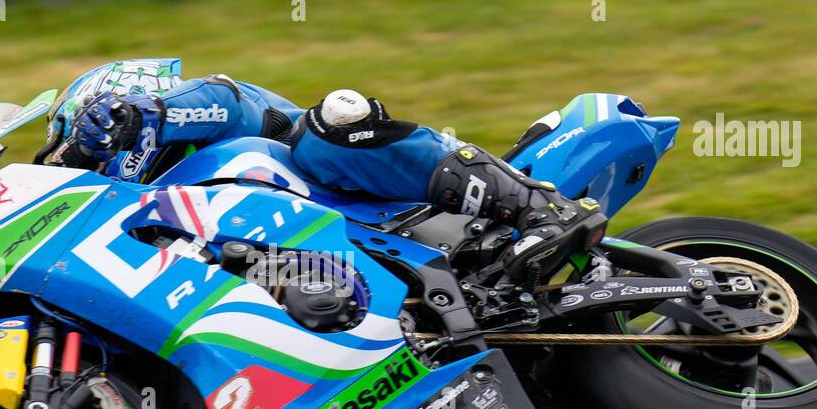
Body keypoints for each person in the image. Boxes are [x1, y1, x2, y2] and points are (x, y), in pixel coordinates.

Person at [60, 72, 606, 284]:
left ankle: (538, 208)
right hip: (336, 276)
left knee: (321, 131)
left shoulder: (216, 128)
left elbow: (225, 99)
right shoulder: (155, 220)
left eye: (77, 148)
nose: (82, 165)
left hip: (385, 212)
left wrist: (141, 112)